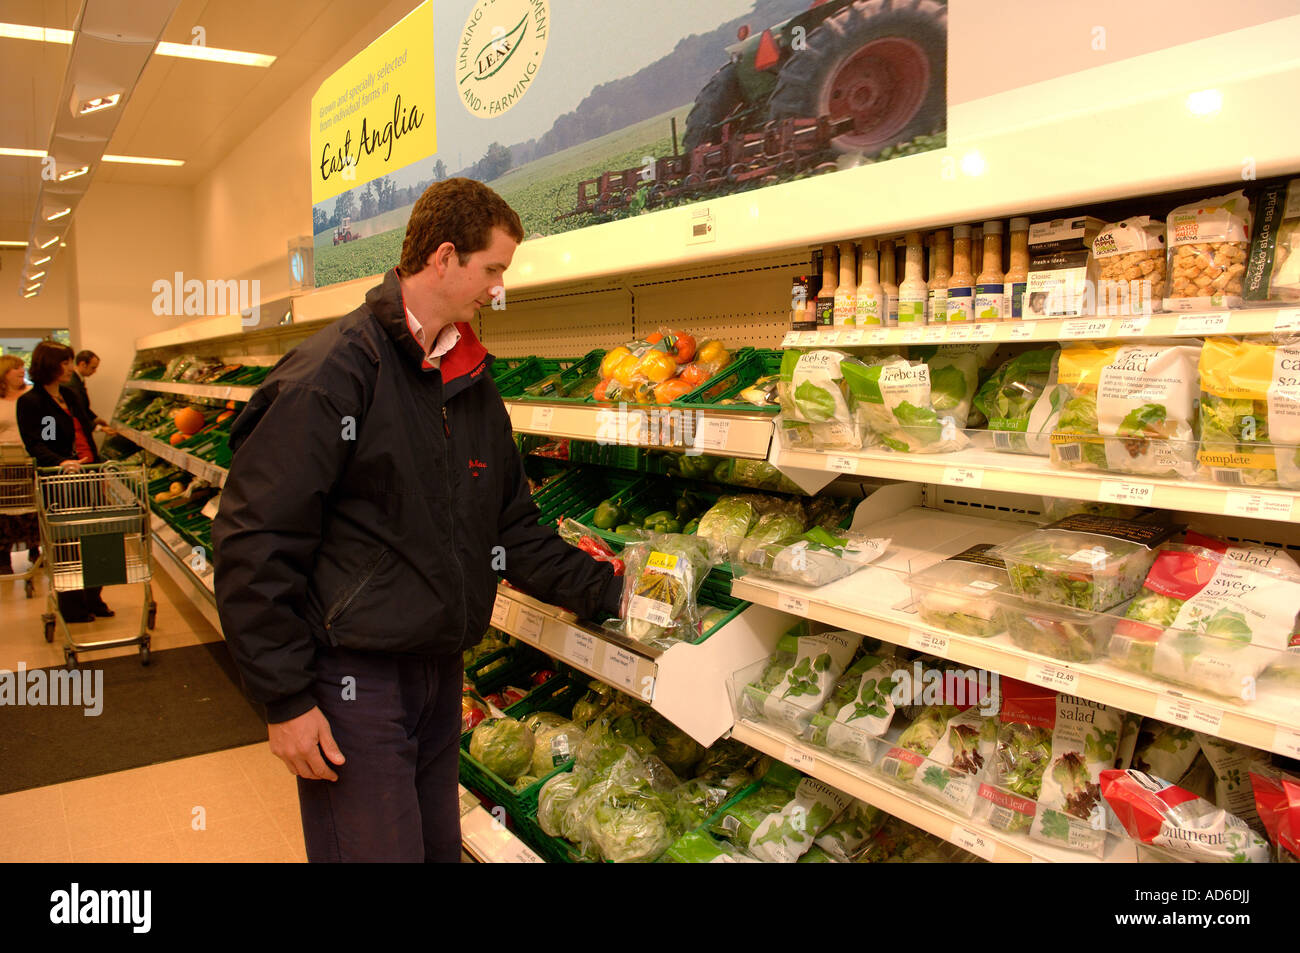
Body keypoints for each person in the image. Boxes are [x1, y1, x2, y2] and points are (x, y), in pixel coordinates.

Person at [212, 178, 623, 863]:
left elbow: (513, 527)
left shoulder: (469, 381)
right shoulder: (334, 374)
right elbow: (257, 539)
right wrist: (283, 699)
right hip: (355, 679)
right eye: (492, 269)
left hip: (438, 673)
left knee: (435, 851)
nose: (498, 289)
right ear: (442, 258)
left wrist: (617, 593)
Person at [15, 341, 113, 620]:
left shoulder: (70, 396)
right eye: (65, 362)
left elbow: (83, 428)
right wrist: (60, 462)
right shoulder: (32, 402)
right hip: (61, 481)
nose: (71, 368)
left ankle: (94, 597)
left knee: (96, 537)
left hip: (88, 473)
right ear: (49, 365)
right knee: (68, 543)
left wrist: (97, 466)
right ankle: (71, 606)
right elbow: (37, 443)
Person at [0, 354, 40, 574]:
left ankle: (35, 551)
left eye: (22, 367)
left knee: (32, 509)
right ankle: (3, 556)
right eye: (16, 367)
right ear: (4, 373)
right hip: (3, 464)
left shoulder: (32, 396)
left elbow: (48, 424)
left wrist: (47, 441)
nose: (21, 371)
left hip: (30, 460)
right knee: (4, 512)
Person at [67, 350, 111, 432]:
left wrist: (96, 418)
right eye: (93, 368)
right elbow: (77, 413)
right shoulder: (72, 384)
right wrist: (99, 428)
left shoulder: (79, 380)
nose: (95, 371)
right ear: (83, 364)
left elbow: (83, 407)